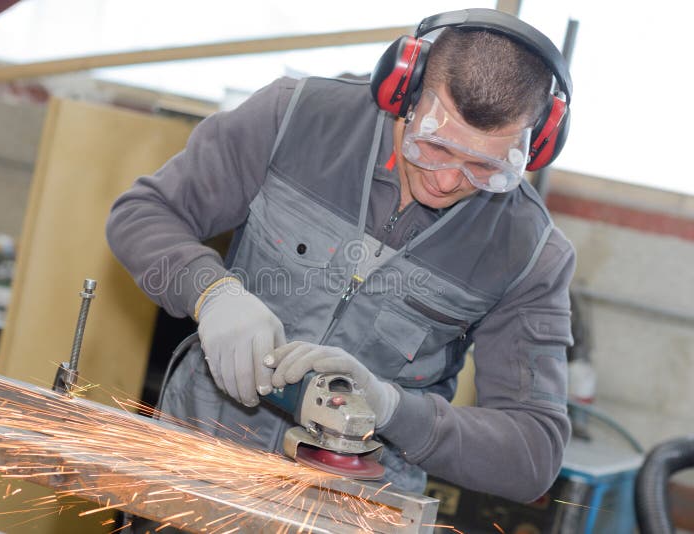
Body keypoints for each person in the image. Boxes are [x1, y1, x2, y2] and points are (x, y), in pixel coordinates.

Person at [106, 8, 575, 502]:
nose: (447, 181)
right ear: (404, 91)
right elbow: (143, 212)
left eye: (485, 167)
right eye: (434, 147)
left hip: (349, 505)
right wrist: (213, 293)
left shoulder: (528, 251)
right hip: (197, 466)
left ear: (535, 146)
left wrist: (391, 408)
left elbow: (532, 454)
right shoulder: (295, 118)